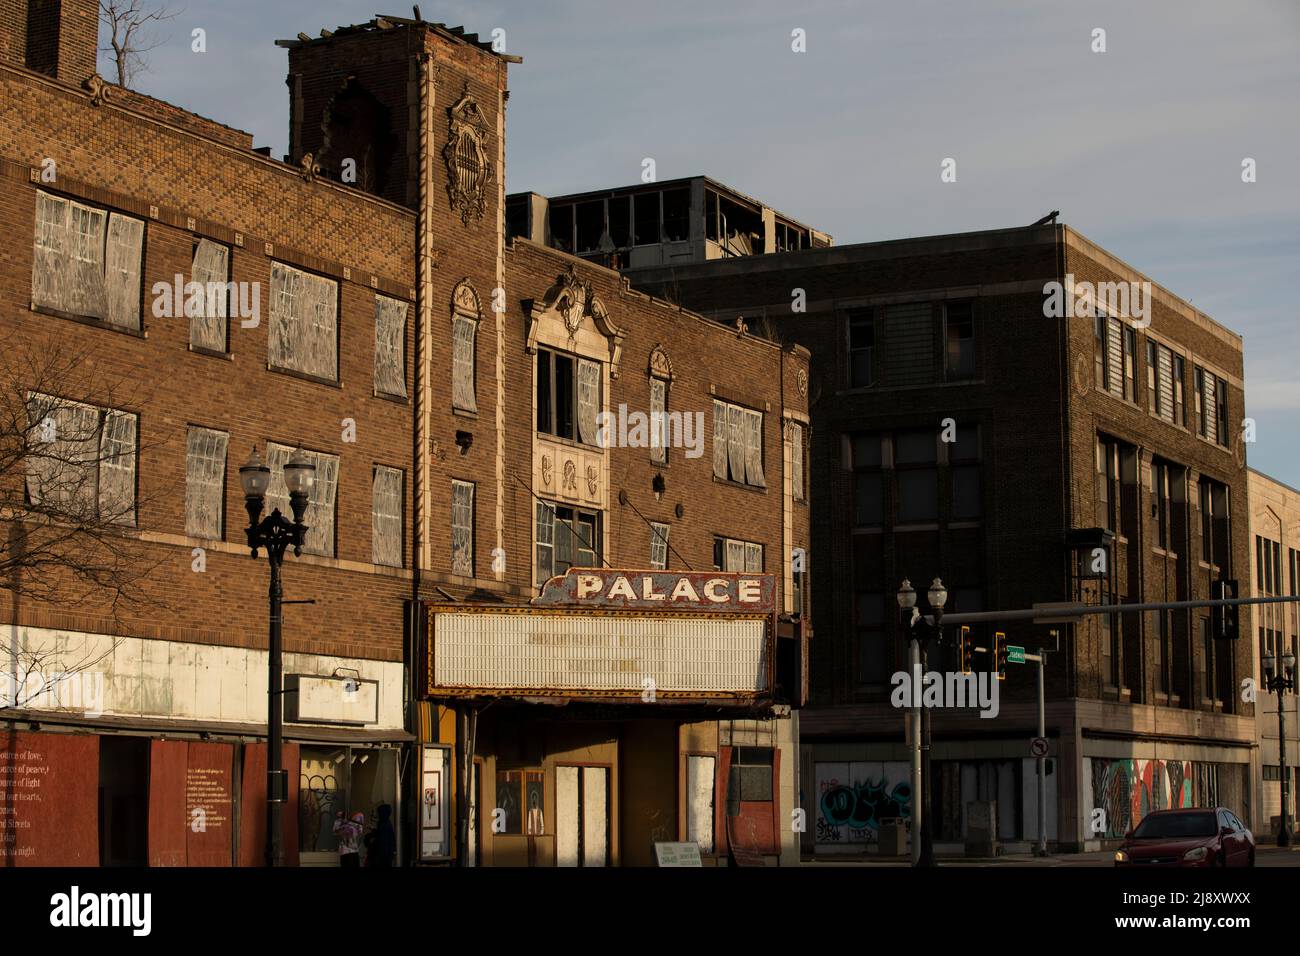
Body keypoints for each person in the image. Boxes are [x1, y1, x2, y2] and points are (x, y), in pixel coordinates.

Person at [366, 803, 396, 867]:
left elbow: (382, 839)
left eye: (378, 813)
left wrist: (373, 841)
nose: (377, 815)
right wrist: (373, 829)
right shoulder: (384, 823)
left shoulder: (384, 824)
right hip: (385, 855)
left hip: (383, 855)